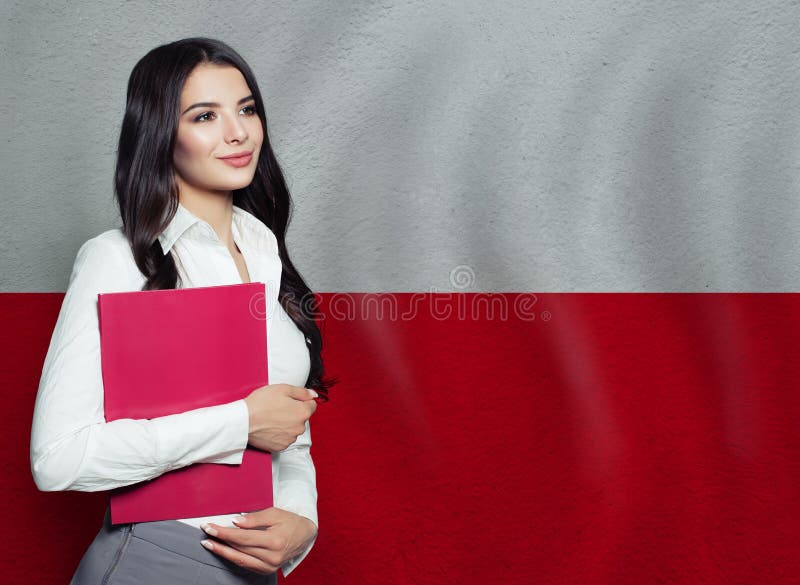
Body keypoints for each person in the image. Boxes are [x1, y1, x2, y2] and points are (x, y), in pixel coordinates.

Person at [29, 37, 335, 584]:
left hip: (251, 570)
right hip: (154, 556)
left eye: (246, 109)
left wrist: (301, 519)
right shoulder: (121, 260)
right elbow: (57, 459)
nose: (237, 132)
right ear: (160, 135)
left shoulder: (266, 253)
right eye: (204, 116)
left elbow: (290, 428)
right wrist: (239, 423)